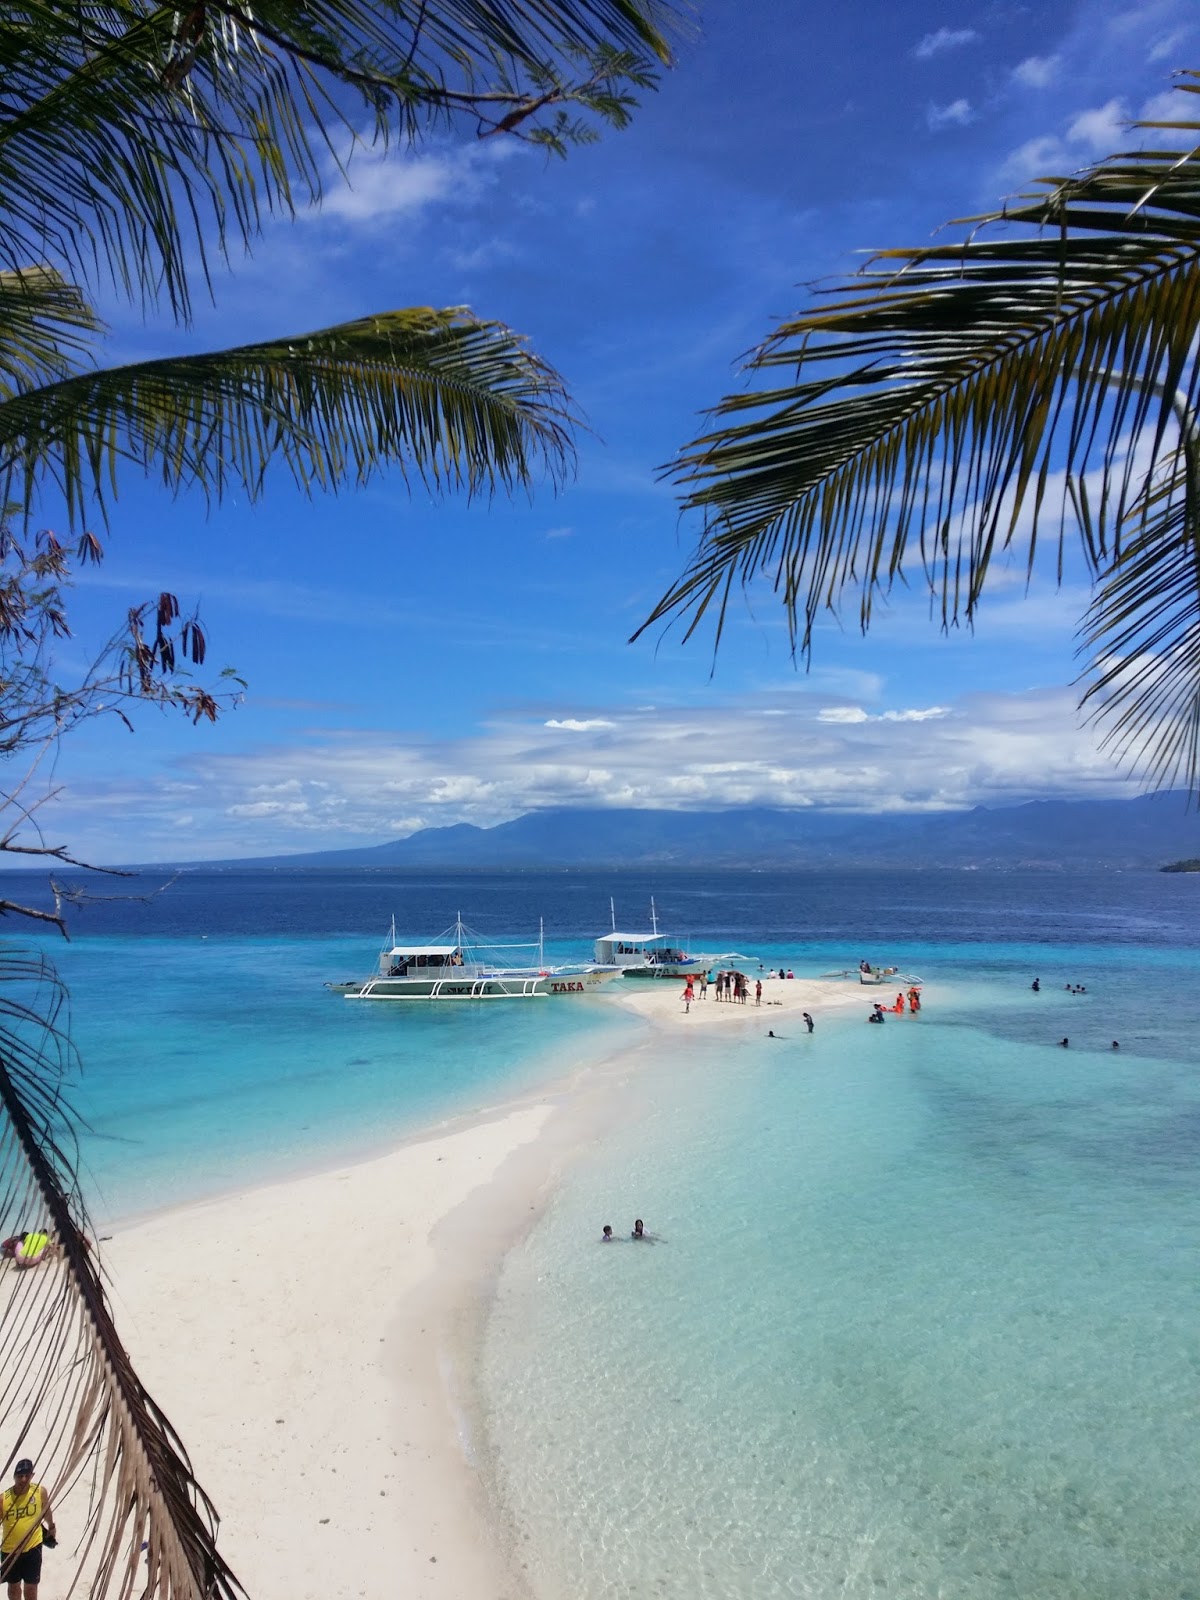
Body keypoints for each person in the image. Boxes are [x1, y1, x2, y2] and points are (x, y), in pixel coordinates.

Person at [2, 1458, 55, 1600]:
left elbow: (46, 1510)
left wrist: (51, 1526)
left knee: (31, 1588)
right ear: (14, 1477)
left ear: (32, 1475)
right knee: (13, 1588)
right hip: (10, 1550)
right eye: (20, 1476)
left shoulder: (39, 1492)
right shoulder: (4, 1499)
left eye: (27, 1475)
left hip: (33, 1547)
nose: (23, 1479)